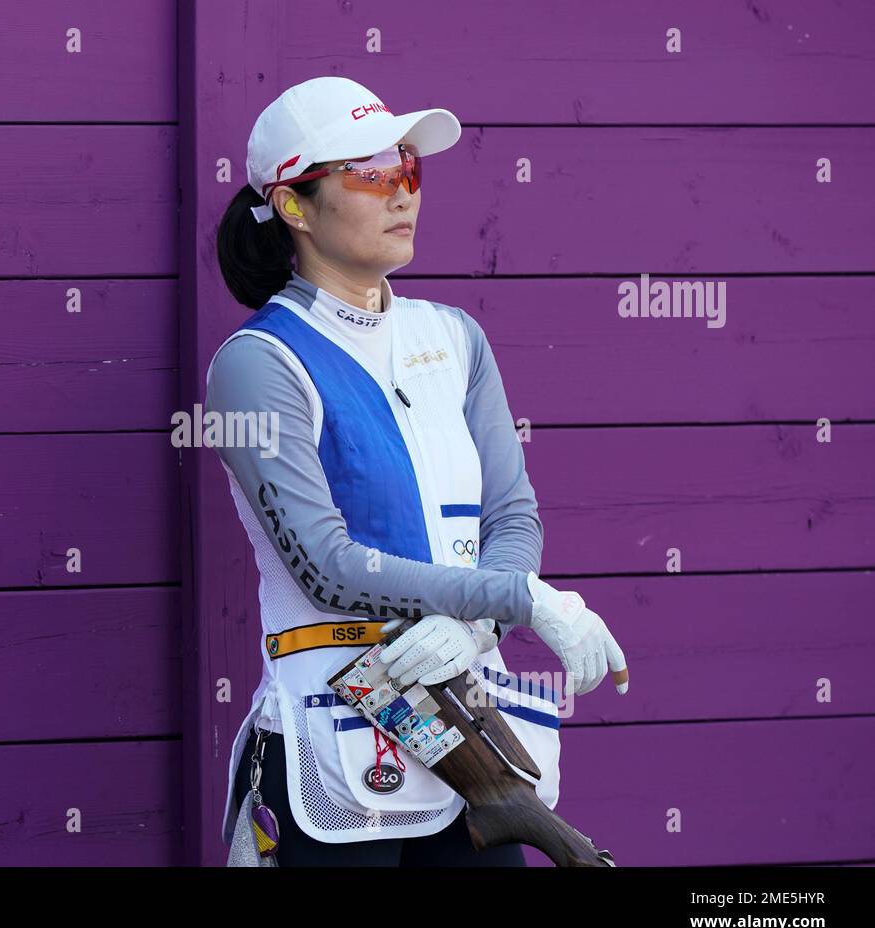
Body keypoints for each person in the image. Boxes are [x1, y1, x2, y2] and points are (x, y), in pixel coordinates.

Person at [208, 76, 628, 867]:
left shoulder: (457, 337)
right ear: (293, 205)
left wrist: (480, 625)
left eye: (409, 169)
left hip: (468, 737)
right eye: (371, 173)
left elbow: (511, 517)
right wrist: (519, 597)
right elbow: (327, 565)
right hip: (326, 758)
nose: (403, 192)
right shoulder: (256, 364)